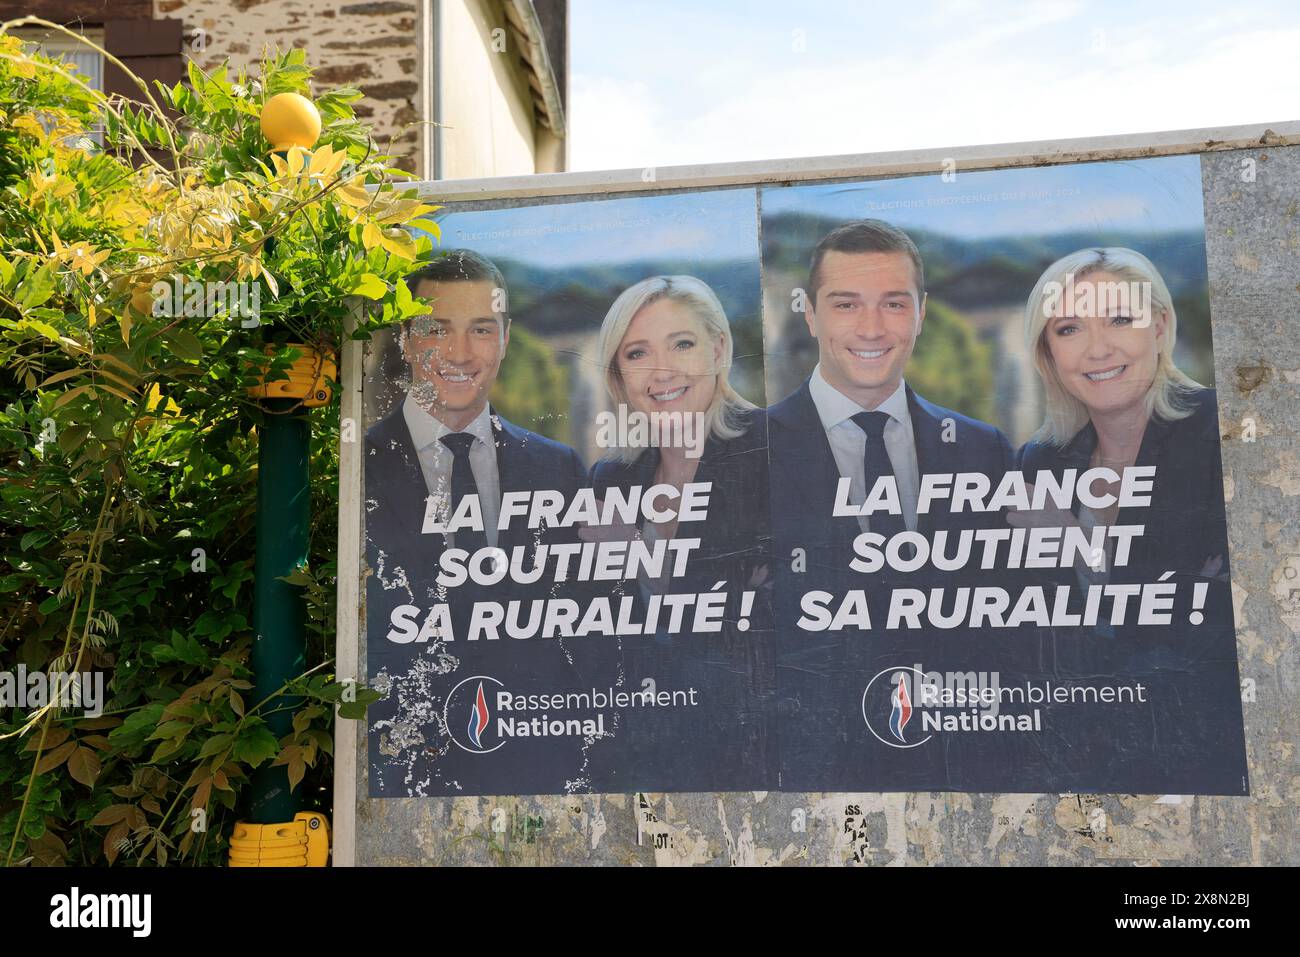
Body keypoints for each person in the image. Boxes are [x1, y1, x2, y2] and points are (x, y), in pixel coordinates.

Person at [767, 218, 1014, 791]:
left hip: (958, 765)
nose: (872, 327)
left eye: (894, 304)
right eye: (846, 304)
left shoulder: (983, 449)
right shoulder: (746, 452)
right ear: (810, 313)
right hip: (807, 767)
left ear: (921, 313)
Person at [363, 249, 600, 796]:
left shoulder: (557, 467)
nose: (460, 353)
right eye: (436, 329)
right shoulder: (358, 468)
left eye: (481, 329)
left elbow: (586, 619)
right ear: (405, 337)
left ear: (506, 337)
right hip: (400, 767)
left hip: (539, 763)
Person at [583, 275, 773, 789]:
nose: (662, 371)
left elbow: (774, 623)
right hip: (648, 749)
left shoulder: (778, 451)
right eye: (637, 353)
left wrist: (641, 559)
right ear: (619, 375)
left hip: (760, 748)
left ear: (718, 348)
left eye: (682, 344)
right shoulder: (611, 477)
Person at [1012, 247, 1231, 643]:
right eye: (1069, 329)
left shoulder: (1224, 432)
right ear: (1048, 351)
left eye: (1120, 320)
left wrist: (1080, 547)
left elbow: (1226, 621)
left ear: (1159, 327)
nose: (1098, 350)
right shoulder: (1037, 462)